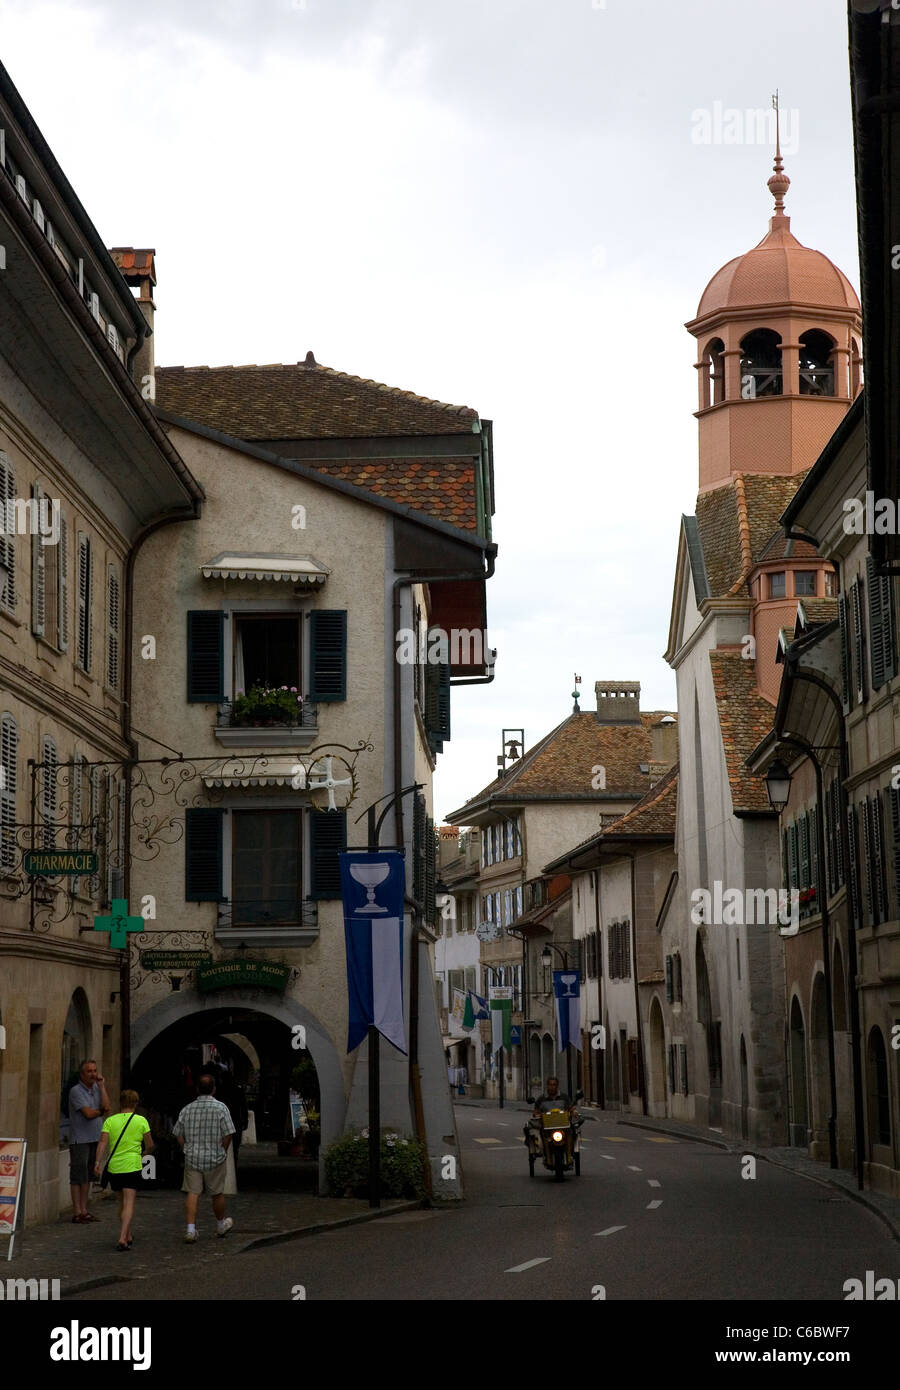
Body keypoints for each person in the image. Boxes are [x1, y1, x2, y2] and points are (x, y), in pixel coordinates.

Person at [172, 1072, 235, 1242]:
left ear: (197, 1089)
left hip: (192, 1157)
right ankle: (221, 1225)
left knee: (192, 1192)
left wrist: (185, 1147)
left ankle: (191, 1229)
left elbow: (177, 1132)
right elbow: (229, 1133)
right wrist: (223, 1149)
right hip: (215, 1157)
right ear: (214, 1089)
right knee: (217, 1193)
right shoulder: (221, 1108)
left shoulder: (187, 1109)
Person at [93, 1090, 154, 1252]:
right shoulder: (141, 1121)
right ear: (135, 1103)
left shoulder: (110, 1121)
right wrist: (144, 1153)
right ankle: (122, 1237)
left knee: (121, 1202)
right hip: (132, 1165)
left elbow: (102, 1143)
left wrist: (97, 1162)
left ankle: (128, 1234)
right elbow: (150, 1145)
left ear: (121, 1103)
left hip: (115, 1166)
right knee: (129, 1202)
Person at [67, 1060, 110, 1223]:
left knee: (89, 1175)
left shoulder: (97, 1090)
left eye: (95, 1071)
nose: (93, 1074)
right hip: (80, 1139)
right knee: (78, 1175)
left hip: (95, 1137)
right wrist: (101, 1111)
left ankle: (84, 1210)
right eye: (89, 1071)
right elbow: (88, 1113)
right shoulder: (76, 1091)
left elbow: (107, 1106)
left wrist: (103, 1087)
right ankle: (77, 1211)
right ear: (82, 1074)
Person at [524, 1076, 579, 1151]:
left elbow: (571, 1108)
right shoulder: (541, 1099)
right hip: (547, 1126)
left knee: (574, 1130)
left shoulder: (564, 1097)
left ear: (557, 1086)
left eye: (554, 1085)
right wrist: (537, 1115)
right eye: (550, 1085)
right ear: (547, 1086)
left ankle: (571, 1149)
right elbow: (536, 1111)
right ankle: (536, 1147)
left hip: (562, 1125)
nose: (552, 1087)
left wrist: (574, 1112)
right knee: (528, 1127)